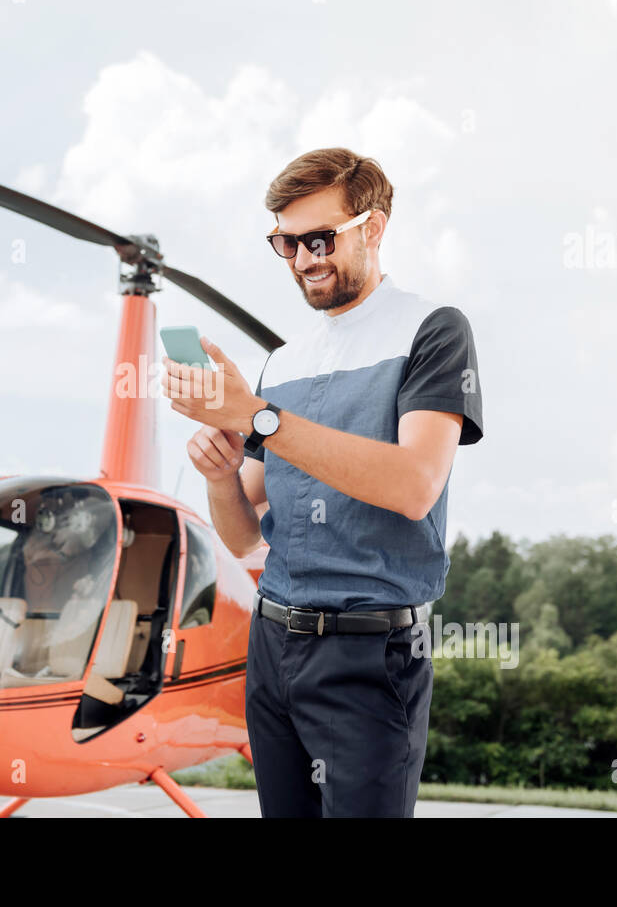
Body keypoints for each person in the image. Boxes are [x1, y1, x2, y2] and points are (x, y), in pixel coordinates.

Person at [160, 147, 484, 816]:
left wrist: (258, 415)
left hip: (370, 656)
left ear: (374, 226)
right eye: (286, 242)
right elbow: (246, 532)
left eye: (320, 238)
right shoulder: (283, 361)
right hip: (274, 645)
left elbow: (415, 483)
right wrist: (221, 478)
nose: (305, 258)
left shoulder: (432, 331)